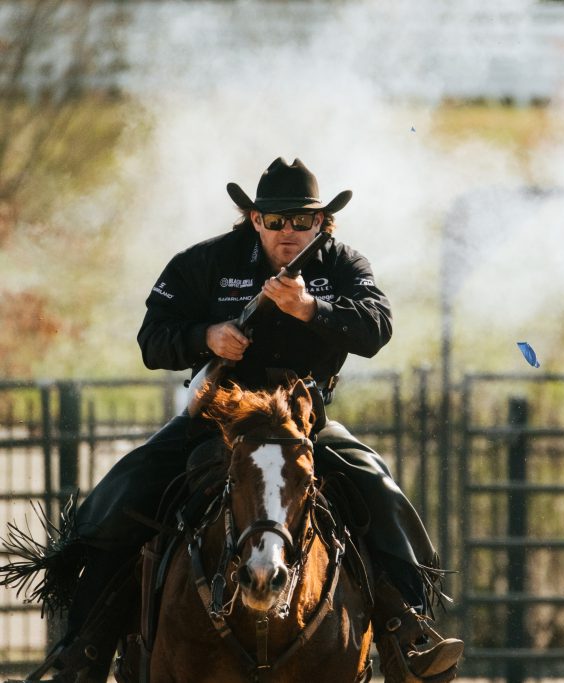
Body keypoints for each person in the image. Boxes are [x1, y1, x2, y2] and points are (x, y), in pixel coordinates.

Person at [6, 158, 463, 683]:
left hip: (302, 427)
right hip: (215, 424)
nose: (287, 232)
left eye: (301, 221)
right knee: (121, 498)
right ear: (254, 219)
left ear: (322, 223)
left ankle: (409, 637)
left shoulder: (343, 265)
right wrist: (207, 336)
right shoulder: (203, 263)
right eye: (274, 221)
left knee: (382, 496)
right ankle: (83, 651)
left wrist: (311, 308)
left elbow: (377, 327)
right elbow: (153, 338)